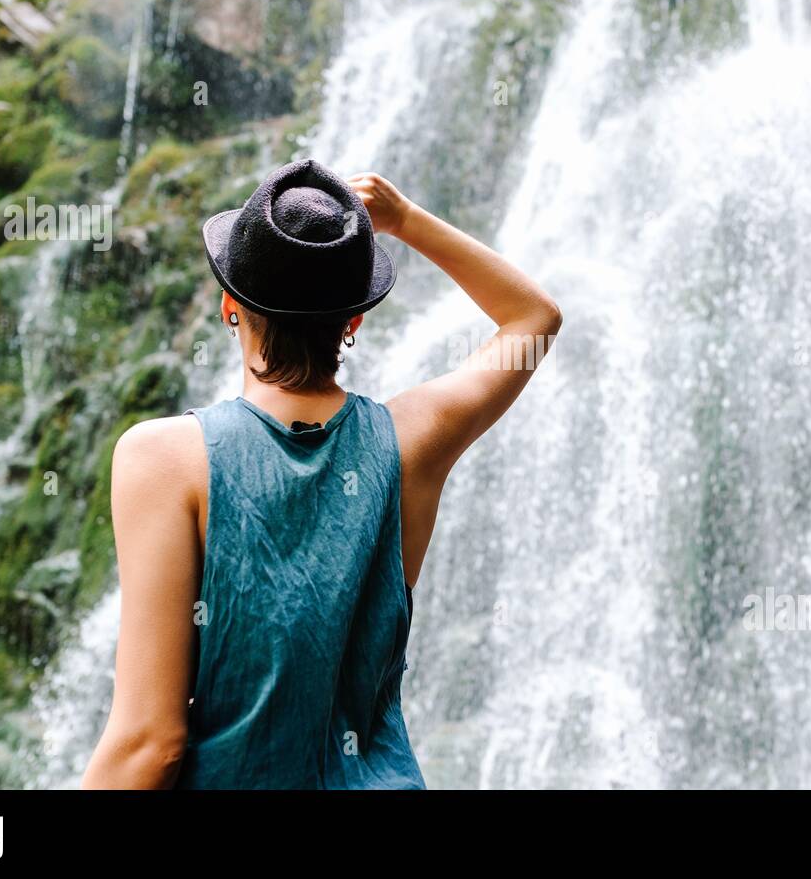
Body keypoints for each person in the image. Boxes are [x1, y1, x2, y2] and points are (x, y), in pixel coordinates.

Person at [81, 159, 561, 788]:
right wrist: (406, 221)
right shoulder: (411, 441)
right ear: (353, 323)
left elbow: (152, 742)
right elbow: (534, 318)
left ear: (231, 307)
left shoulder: (164, 458)